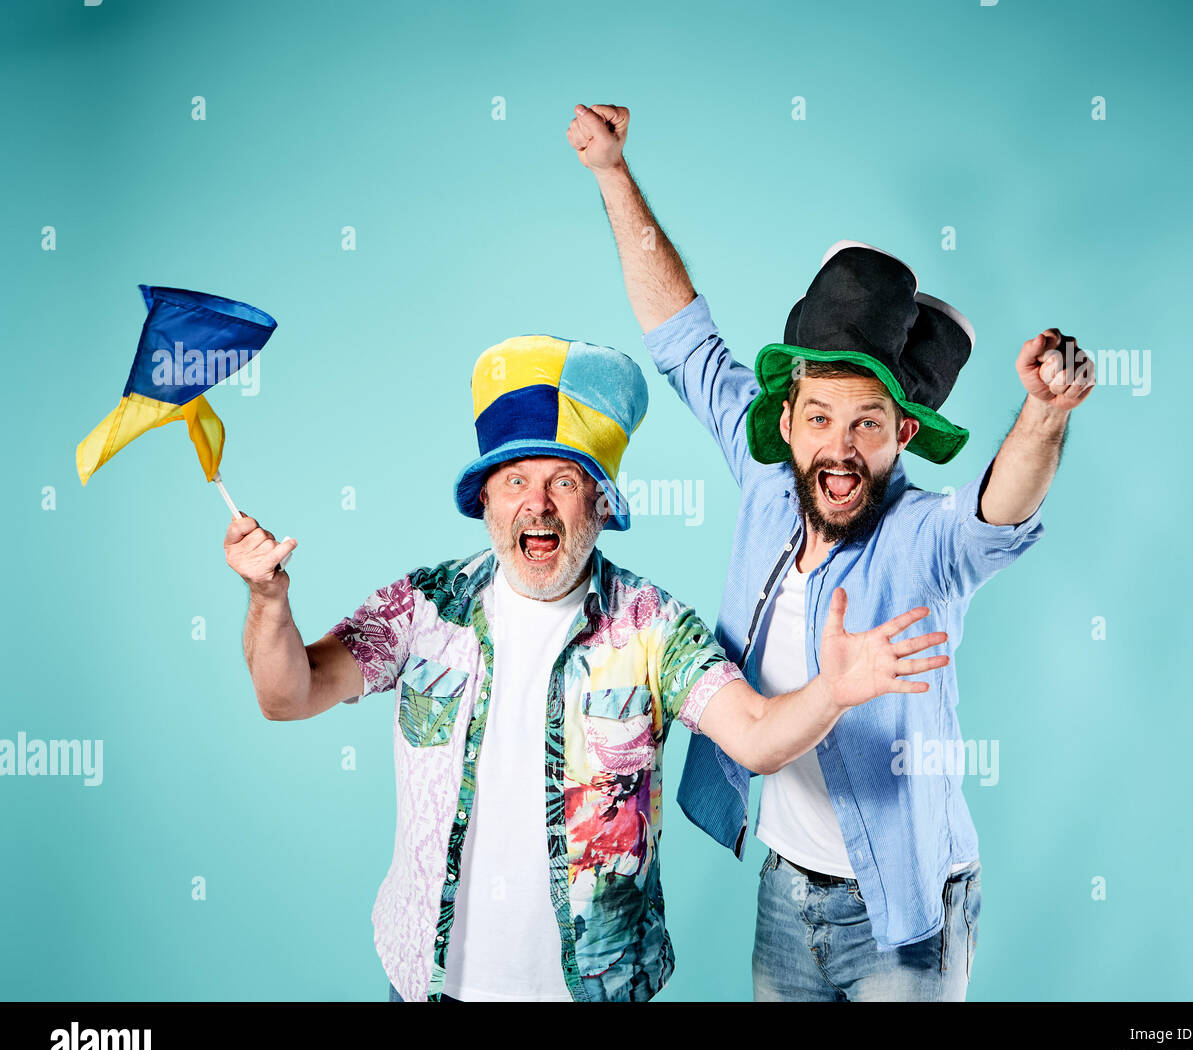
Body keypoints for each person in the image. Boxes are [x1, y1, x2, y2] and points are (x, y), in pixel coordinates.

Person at [225, 332, 950, 1002]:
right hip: (431, 983)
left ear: (602, 504)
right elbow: (290, 694)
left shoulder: (654, 627)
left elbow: (757, 734)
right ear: (485, 499)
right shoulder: (422, 609)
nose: (536, 504)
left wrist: (834, 690)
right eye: (514, 481)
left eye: (564, 482)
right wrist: (267, 599)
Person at [567, 102, 1096, 1001]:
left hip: (902, 905)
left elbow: (992, 516)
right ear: (786, 422)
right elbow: (683, 337)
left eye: (867, 424)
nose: (840, 446)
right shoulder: (768, 480)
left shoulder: (922, 539)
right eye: (819, 418)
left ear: (901, 436)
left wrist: (1043, 416)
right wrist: (613, 174)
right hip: (784, 887)